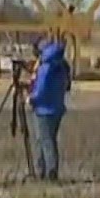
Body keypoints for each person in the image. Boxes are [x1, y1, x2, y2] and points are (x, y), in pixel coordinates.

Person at [28, 35, 72, 181]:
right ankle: (43, 170)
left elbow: (40, 89)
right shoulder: (61, 65)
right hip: (57, 107)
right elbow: (66, 86)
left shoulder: (45, 67)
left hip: (43, 109)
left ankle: (50, 171)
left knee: (45, 141)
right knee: (47, 140)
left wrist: (31, 98)